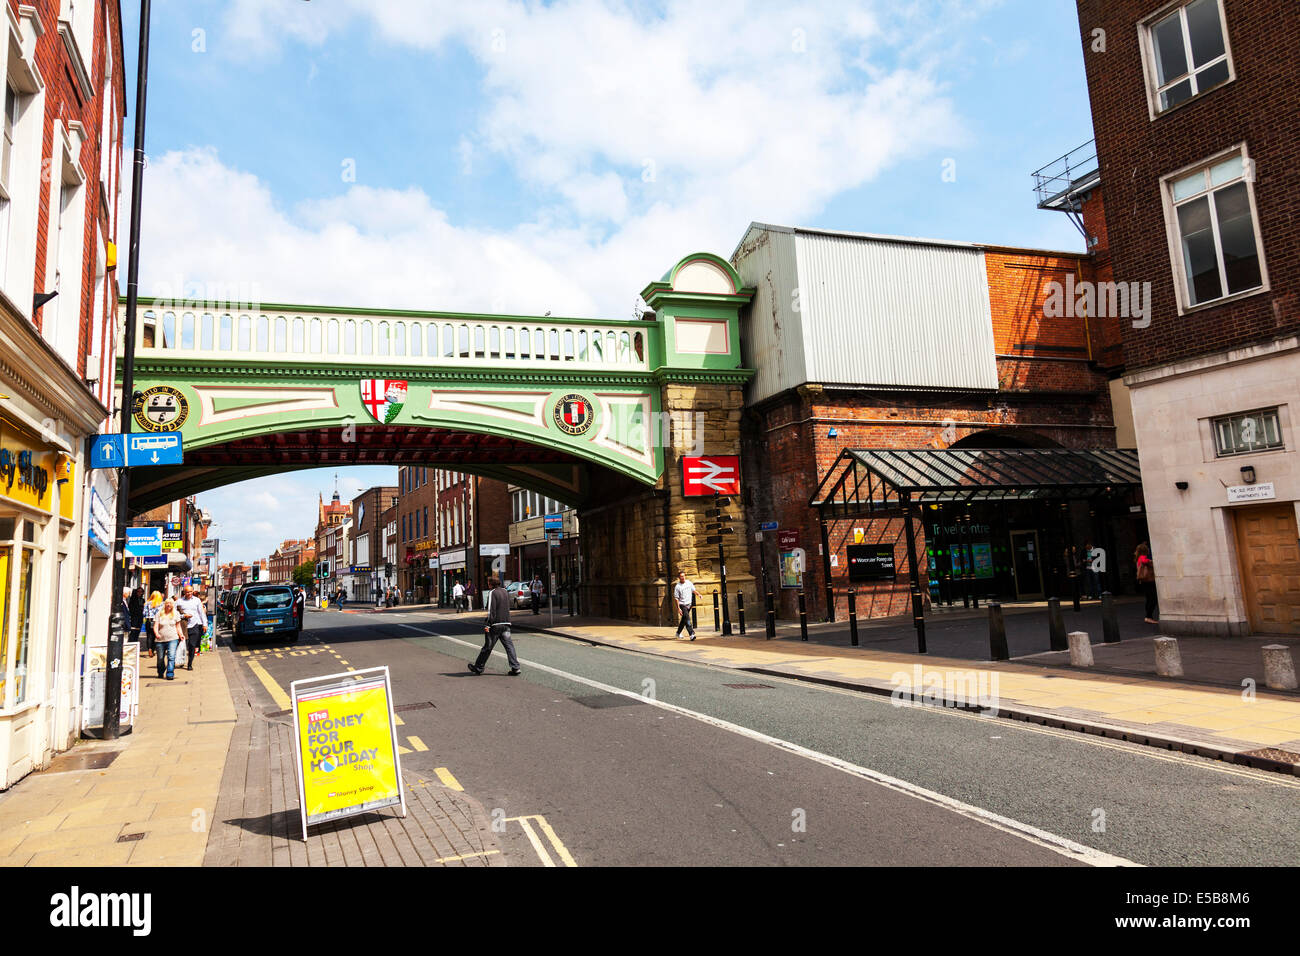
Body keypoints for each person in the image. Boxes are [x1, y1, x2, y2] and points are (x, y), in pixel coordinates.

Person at [468, 576, 521, 676]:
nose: (487, 584)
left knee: (487, 647)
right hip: (506, 623)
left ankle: (478, 667)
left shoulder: (492, 592)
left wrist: (488, 624)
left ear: (491, 584)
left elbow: (491, 610)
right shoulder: (505, 591)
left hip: (495, 624)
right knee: (509, 647)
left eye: (488, 582)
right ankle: (515, 668)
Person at [176, 586, 208, 670]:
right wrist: (184, 615)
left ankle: (190, 664)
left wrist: (205, 624)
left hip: (194, 625)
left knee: (192, 645)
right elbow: (174, 614)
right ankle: (181, 660)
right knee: (183, 645)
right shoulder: (179, 601)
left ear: (192, 591)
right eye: (187, 592)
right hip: (183, 627)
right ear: (184, 592)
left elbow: (201, 613)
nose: (189, 593)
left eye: (190, 592)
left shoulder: (197, 600)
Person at [154, 598, 186, 680]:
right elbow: (156, 626)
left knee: (171, 656)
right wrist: (156, 633)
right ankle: (160, 671)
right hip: (160, 639)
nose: (168, 605)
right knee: (160, 658)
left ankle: (170, 673)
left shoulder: (176, 614)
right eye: (167, 603)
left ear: (173, 605)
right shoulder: (159, 613)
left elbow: (178, 626)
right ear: (164, 604)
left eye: (170, 604)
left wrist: (181, 635)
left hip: (173, 638)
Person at [1135, 542, 1158, 624]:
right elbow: (1145, 561)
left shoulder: (1138, 558)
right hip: (1148, 580)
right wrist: (1151, 561)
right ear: (1145, 550)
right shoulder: (1142, 557)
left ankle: (1149, 617)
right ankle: (1148, 616)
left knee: (1149, 599)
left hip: (1144, 581)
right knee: (1153, 599)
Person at [673, 570, 697, 640]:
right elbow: (676, 598)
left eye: (683, 576)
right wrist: (678, 608)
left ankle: (678, 633)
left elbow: (693, 590)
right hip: (682, 605)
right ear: (679, 578)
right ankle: (691, 634)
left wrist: (699, 594)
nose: (682, 577)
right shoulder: (677, 586)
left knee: (684, 619)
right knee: (687, 619)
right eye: (681, 576)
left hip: (689, 604)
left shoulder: (689, 583)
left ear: (685, 576)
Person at [143, 590, 163, 658]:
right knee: (155, 635)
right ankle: (153, 650)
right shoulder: (161, 604)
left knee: (149, 636)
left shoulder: (147, 603)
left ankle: (149, 649)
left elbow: (144, 613)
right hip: (156, 621)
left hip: (149, 620)